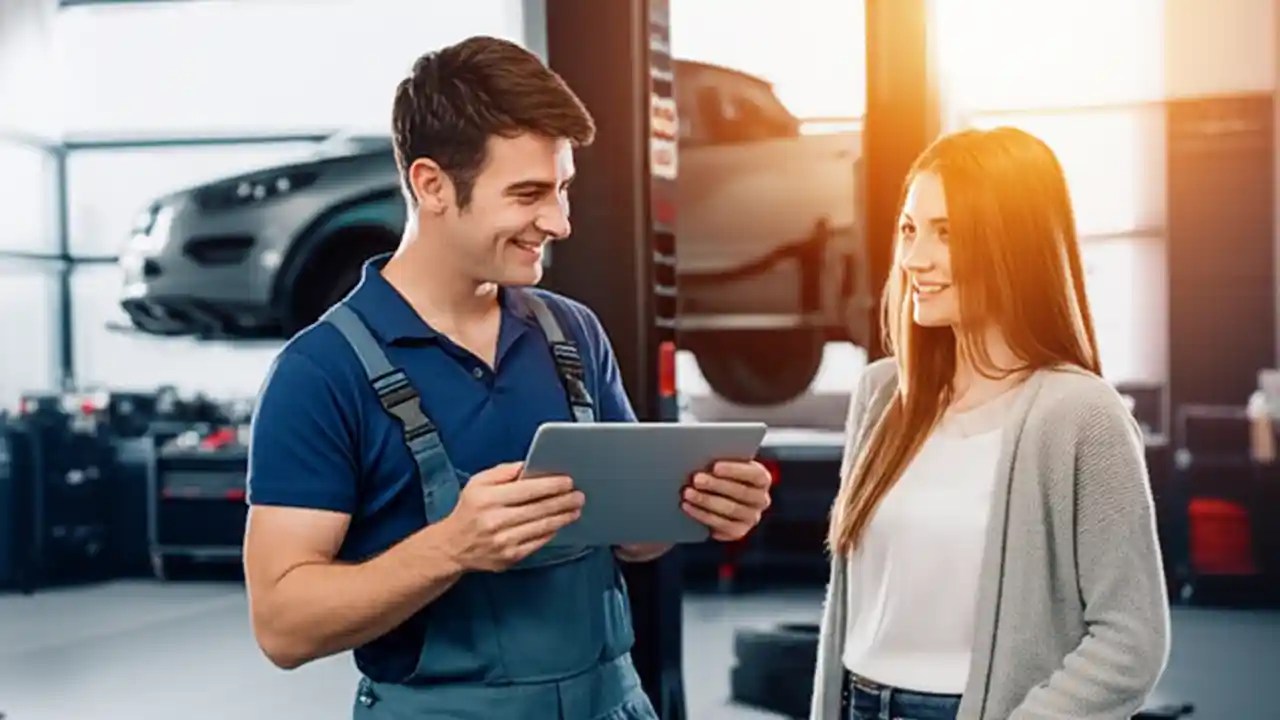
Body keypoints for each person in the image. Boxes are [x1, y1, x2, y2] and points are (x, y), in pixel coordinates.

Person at [242, 36, 773, 720]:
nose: (559, 221)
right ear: (431, 185)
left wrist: (697, 506)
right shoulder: (320, 373)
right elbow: (283, 626)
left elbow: (633, 540)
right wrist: (452, 547)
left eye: (562, 189)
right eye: (528, 194)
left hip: (612, 702)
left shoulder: (572, 334)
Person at [809, 127, 1171, 720]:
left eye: (947, 234)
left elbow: (1131, 641)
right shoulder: (882, 395)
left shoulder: (1080, 415)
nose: (914, 259)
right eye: (909, 229)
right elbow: (856, 609)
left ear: (1015, 245)